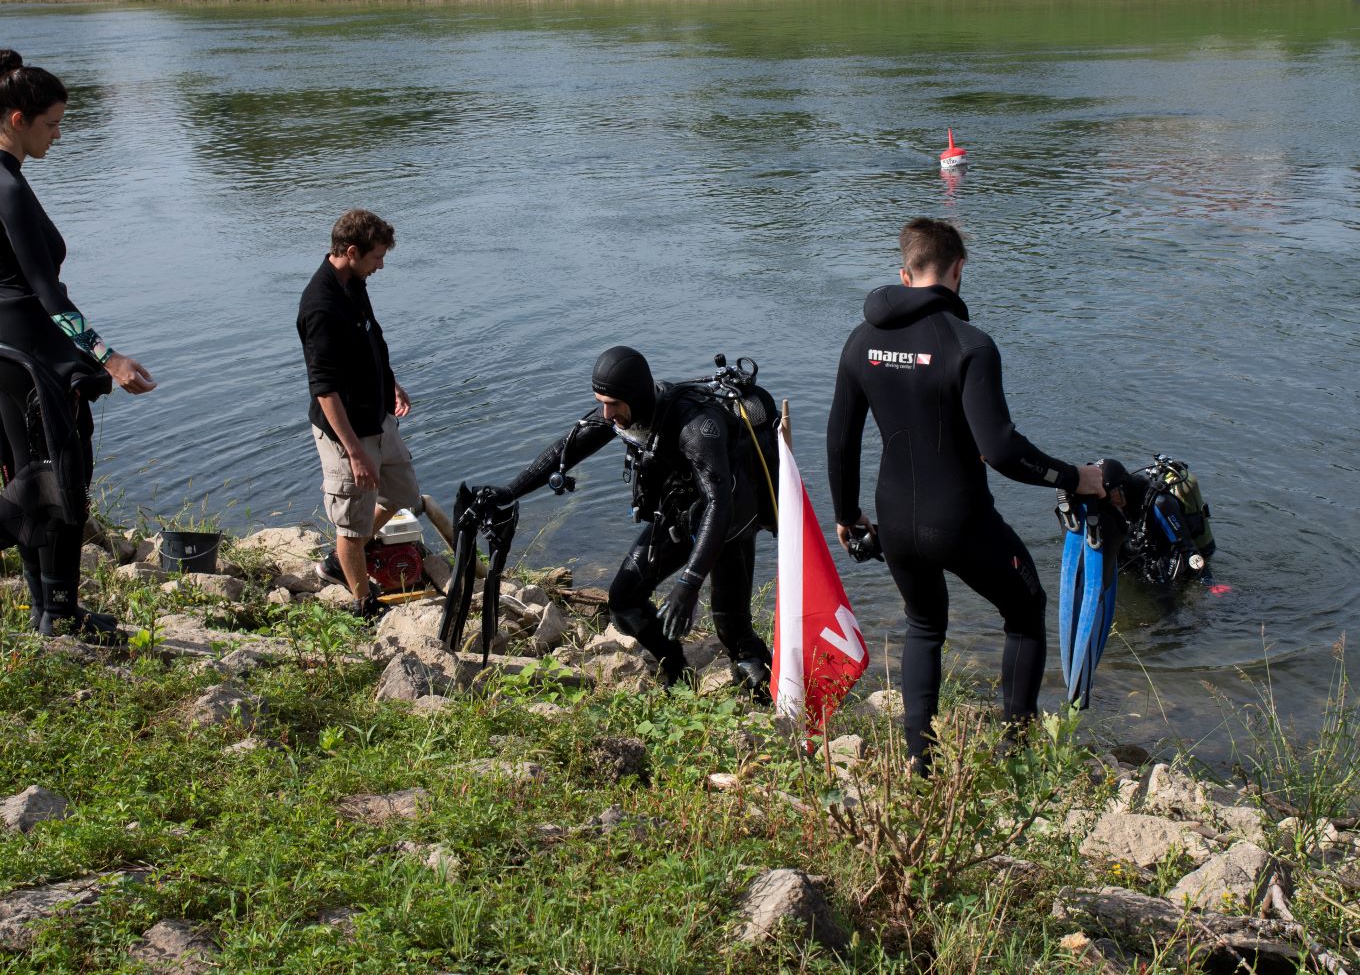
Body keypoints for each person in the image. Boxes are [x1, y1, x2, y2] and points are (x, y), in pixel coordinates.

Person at [826, 217, 1104, 769]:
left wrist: (846, 514)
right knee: (1025, 607)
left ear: (905, 274)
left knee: (925, 624)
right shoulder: (969, 345)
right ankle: (1016, 750)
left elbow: (840, 439)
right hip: (959, 519)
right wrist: (1074, 477)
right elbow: (1001, 450)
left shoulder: (862, 341)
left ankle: (919, 762)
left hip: (893, 518)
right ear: (958, 270)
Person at [480, 347, 779, 690]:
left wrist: (689, 584)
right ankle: (678, 674)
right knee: (624, 601)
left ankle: (775, 708)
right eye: (601, 403)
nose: (606, 414)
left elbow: (718, 504)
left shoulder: (696, 427)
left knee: (734, 633)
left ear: (635, 396)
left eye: (613, 404)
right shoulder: (626, 413)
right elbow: (566, 449)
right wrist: (509, 491)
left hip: (728, 524)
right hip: (681, 516)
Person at [0, 49, 155, 642]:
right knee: (63, 478)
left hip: (5, 355)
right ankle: (61, 613)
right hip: (32, 359)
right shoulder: (8, 187)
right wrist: (108, 358)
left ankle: (47, 611)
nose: (58, 135)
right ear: (17, 119)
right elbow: (47, 293)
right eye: (52, 124)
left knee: (26, 478)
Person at [296, 209, 420, 620]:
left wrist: (390, 383)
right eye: (376, 257)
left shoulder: (353, 282)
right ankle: (363, 604)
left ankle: (341, 560)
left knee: (403, 494)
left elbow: (373, 339)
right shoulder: (320, 306)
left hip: (376, 416)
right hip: (346, 430)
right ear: (351, 251)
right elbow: (324, 389)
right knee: (351, 522)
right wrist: (355, 453)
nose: (381, 265)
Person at [1099, 456, 1215, 585]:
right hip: (1142, 549)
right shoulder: (1116, 502)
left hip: (1167, 551)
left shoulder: (1159, 503)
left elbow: (1188, 549)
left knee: (1161, 590)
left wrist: (1208, 582)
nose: (1108, 501)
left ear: (1123, 486)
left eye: (1110, 495)